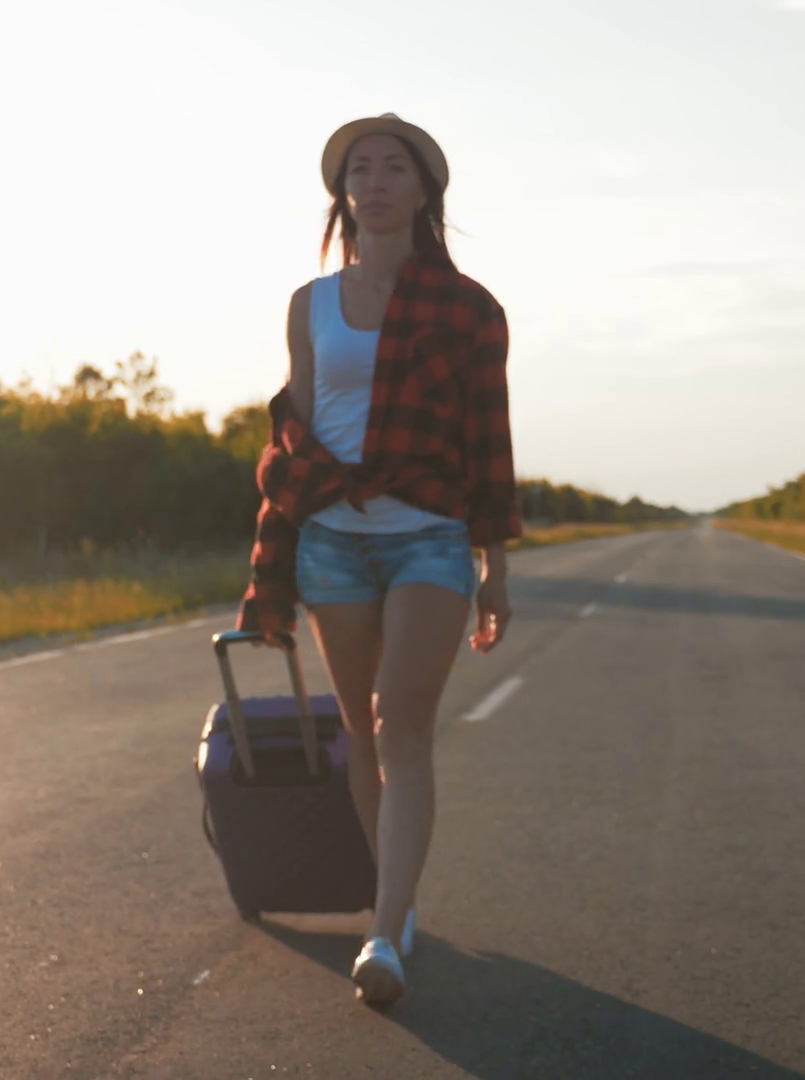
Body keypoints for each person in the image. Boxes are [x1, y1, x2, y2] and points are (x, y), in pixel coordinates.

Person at [236, 113, 521, 1008]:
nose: (376, 181)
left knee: (403, 720)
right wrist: (284, 531)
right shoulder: (310, 304)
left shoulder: (468, 307)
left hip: (430, 530)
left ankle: (384, 933)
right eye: (360, 168)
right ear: (343, 193)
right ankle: (397, 913)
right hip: (331, 540)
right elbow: (299, 425)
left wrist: (495, 569)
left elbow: (488, 439)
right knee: (360, 730)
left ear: (425, 190)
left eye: (394, 167)